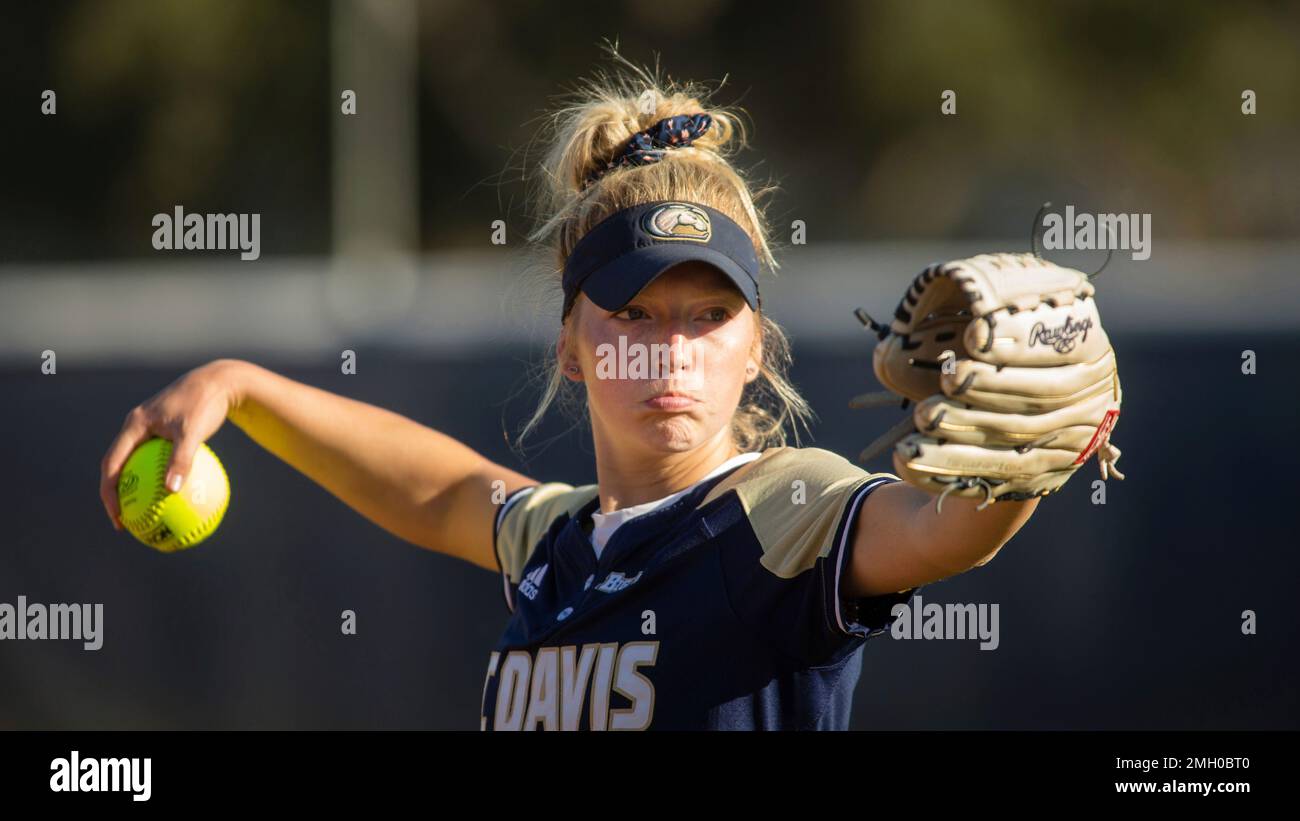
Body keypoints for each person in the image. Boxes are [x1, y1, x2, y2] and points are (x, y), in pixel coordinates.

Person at [98, 56, 1039, 730]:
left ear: (756, 347)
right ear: (571, 347)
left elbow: (937, 532)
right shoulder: (558, 544)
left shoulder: (784, 511)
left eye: (709, 315)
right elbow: (439, 489)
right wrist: (244, 386)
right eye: (632, 313)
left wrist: (1020, 454)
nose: (671, 348)